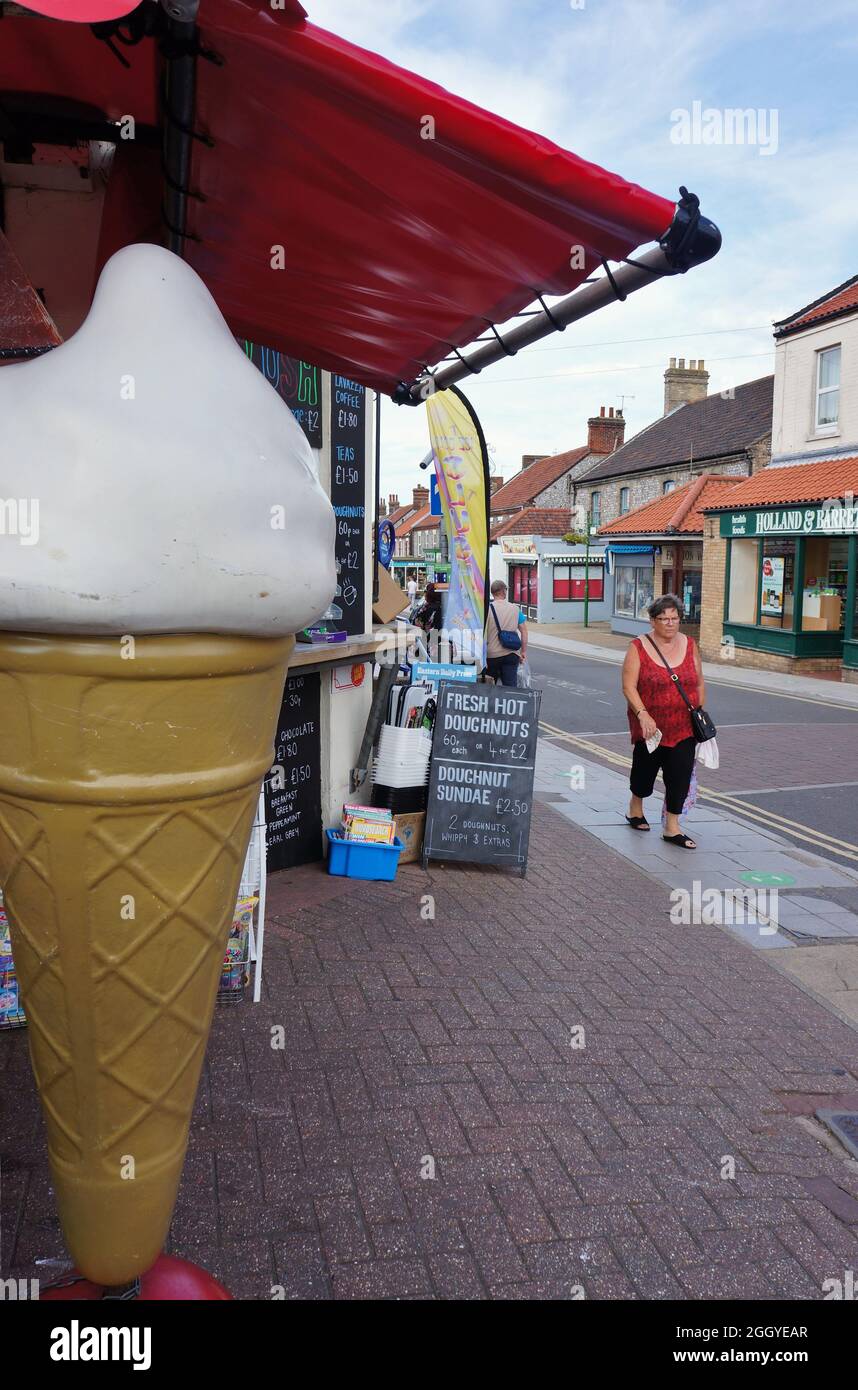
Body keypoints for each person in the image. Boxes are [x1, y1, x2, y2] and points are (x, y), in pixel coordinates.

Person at [621, 593, 706, 849]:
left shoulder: (691, 645)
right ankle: (635, 808)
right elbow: (628, 686)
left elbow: (699, 681)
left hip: (683, 725)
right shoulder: (638, 646)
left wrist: (699, 713)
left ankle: (672, 827)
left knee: (678, 775)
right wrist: (642, 714)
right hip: (651, 727)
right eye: (664, 618)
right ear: (652, 620)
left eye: (675, 618)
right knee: (644, 772)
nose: (670, 623)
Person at [485, 579, 527, 686]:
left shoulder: (487, 610)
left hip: (492, 656)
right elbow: (524, 631)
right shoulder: (515, 609)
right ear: (504, 591)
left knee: (489, 687)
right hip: (511, 654)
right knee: (510, 688)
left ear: (492, 593)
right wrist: (523, 652)